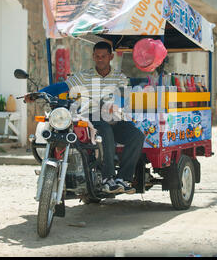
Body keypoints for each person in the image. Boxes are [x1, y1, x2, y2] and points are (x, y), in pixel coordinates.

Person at [25, 41, 145, 195]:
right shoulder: (84, 76)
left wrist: (113, 105)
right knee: (105, 129)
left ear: (111, 57)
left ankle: (123, 179)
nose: (100, 59)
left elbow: (121, 97)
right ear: (93, 57)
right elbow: (62, 86)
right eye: (97, 56)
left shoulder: (119, 77)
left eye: (103, 56)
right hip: (91, 118)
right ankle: (107, 179)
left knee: (136, 136)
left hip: (113, 117)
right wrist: (37, 94)